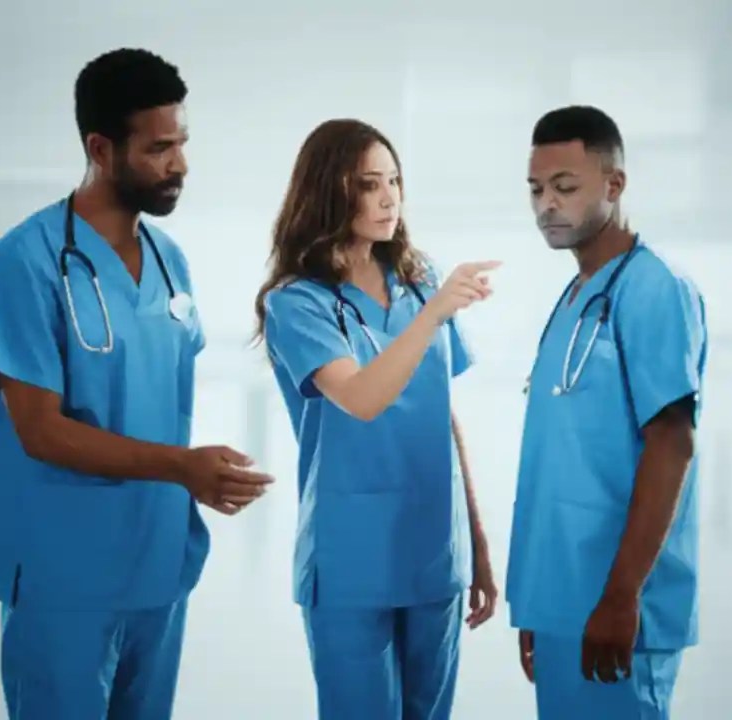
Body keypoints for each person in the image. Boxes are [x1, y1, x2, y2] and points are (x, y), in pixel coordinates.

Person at [0, 48, 273, 720]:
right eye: (159, 148)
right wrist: (182, 468)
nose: (180, 165)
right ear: (101, 149)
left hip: (156, 570)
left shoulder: (171, 263)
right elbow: (39, 430)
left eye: (182, 143)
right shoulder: (26, 262)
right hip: (61, 578)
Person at [253, 118, 501, 720]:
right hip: (349, 561)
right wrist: (433, 315)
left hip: (434, 552)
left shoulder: (419, 280)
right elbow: (363, 399)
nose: (390, 198)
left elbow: (443, 414)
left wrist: (478, 544)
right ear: (329, 191)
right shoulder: (297, 302)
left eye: (394, 181)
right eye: (370, 184)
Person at [505, 105, 708, 719]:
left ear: (614, 185)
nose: (547, 204)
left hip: (618, 610)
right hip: (564, 603)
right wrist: (541, 603)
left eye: (565, 187)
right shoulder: (574, 298)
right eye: (537, 189)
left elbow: (671, 444)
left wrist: (622, 596)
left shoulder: (653, 288)